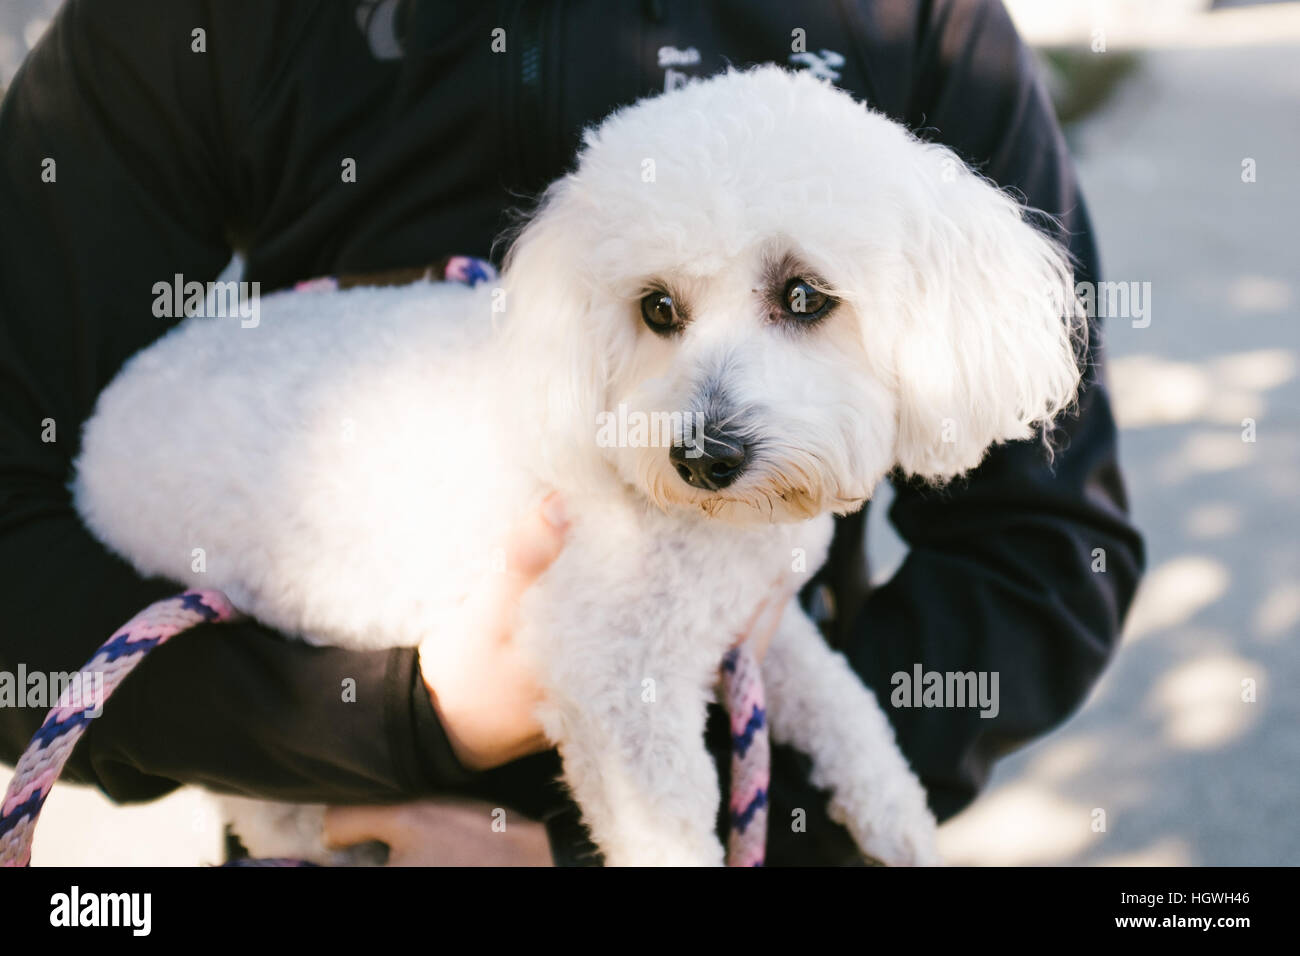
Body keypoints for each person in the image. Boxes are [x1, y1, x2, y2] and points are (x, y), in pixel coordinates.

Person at [0, 0, 1144, 865]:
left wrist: (766, 823)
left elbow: (1046, 552)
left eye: (802, 299)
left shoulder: (917, 21)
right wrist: (386, 734)